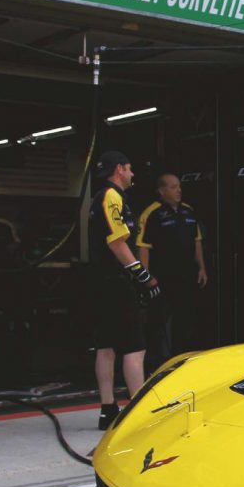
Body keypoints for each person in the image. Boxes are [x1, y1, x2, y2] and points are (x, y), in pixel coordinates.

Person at [88, 150, 161, 430]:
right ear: (119, 169)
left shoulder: (102, 197)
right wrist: (142, 275)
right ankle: (139, 413)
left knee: (106, 346)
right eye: (130, 169)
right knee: (134, 347)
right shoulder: (111, 197)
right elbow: (117, 242)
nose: (132, 175)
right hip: (115, 282)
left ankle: (108, 409)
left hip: (101, 282)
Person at [136, 173, 208, 365]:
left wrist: (202, 268)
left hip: (187, 275)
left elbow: (197, 241)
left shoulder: (188, 211)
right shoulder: (151, 213)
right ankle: (156, 362)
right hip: (161, 278)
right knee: (158, 321)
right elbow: (143, 247)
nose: (179, 190)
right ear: (162, 191)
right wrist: (145, 277)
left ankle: (182, 359)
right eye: (173, 187)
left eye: (179, 186)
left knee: (185, 319)